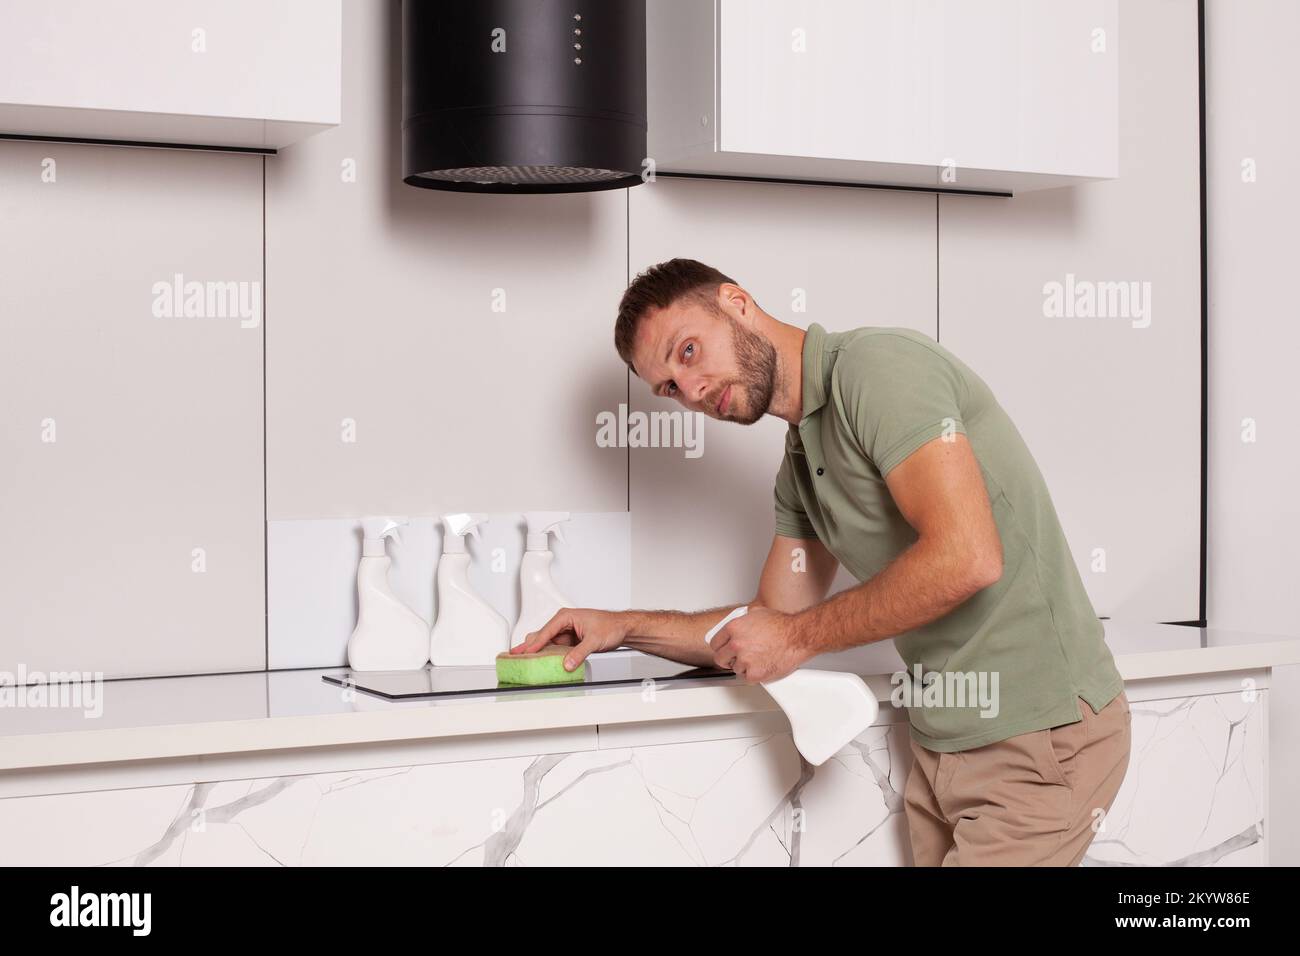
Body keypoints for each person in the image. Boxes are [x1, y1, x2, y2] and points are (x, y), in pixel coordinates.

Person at [512, 257, 1131, 866]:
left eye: (689, 352)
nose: (691, 391)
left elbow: (968, 556)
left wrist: (797, 637)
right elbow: (766, 624)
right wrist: (622, 628)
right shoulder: (802, 462)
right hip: (945, 751)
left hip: (1042, 735)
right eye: (668, 387)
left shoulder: (879, 371)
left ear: (736, 302)